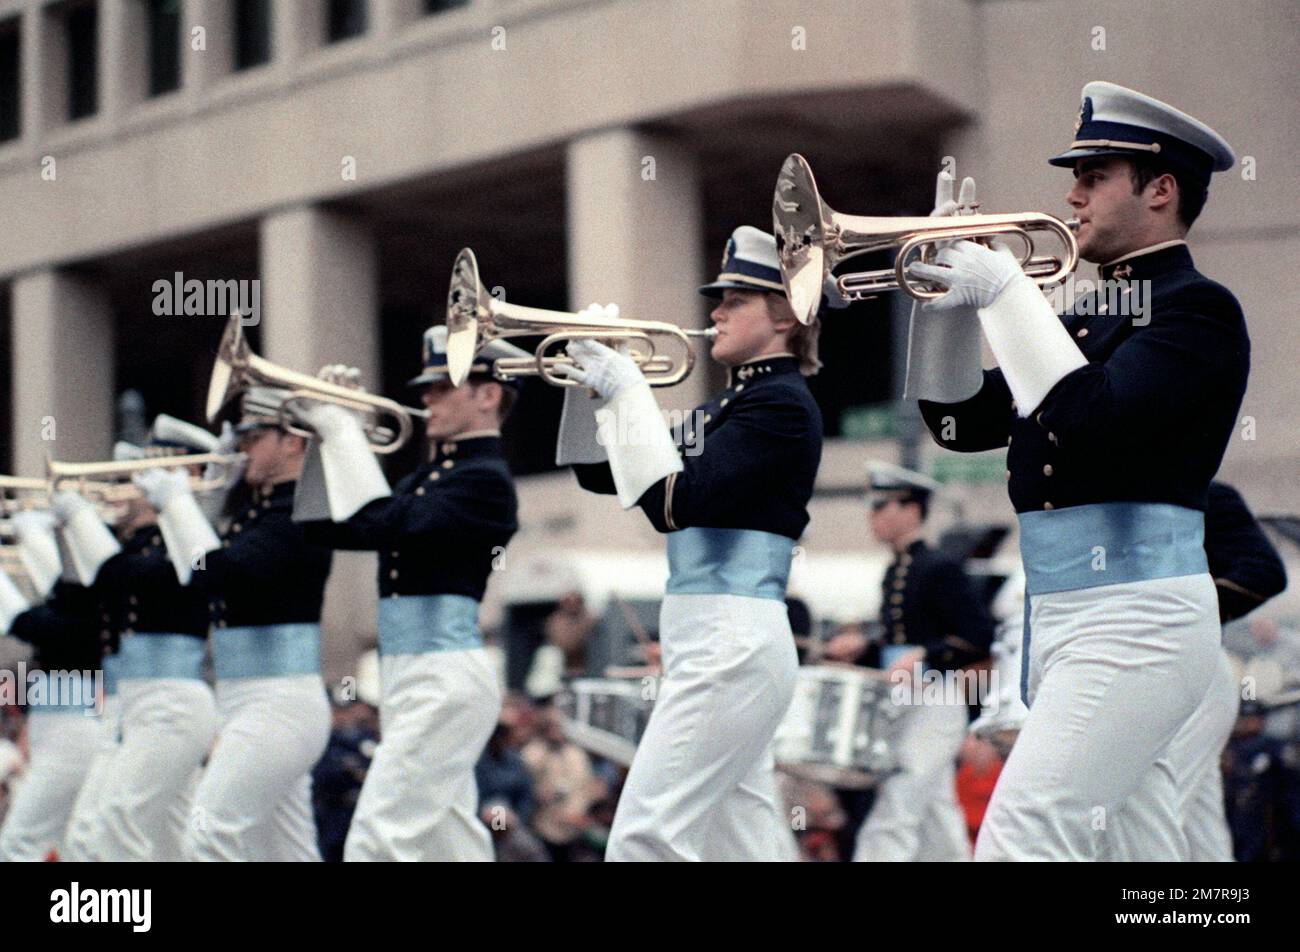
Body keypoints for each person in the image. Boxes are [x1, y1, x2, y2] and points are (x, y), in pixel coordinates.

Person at [905, 82, 1248, 860]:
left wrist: (1002, 290)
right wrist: (941, 305)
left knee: (1022, 839)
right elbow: (957, 424)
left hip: (1138, 619)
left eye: (1094, 175)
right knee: (1146, 864)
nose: (1072, 195)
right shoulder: (1086, 319)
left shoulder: (1197, 309)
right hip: (1069, 618)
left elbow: (1090, 422)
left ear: (1160, 190)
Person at [557, 224, 823, 860]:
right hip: (717, 642)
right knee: (745, 845)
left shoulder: (781, 405)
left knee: (644, 837)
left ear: (785, 312)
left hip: (729, 641)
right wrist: (581, 380)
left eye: (735, 300)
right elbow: (597, 472)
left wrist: (627, 388)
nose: (715, 312)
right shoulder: (726, 409)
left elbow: (673, 503)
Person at [292, 328, 523, 861]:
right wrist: (323, 442)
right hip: (410, 673)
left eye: (443, 386)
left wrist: (346, 435)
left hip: (443, 674)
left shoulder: (484, 478)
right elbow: (324, 527)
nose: (426, 399)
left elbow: (382, 524)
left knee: (378, 838)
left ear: (488, 395)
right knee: (448, 841)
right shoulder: (431, 476)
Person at [135, 386, 334, 861]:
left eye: (255, 437)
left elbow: (215, 574)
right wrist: (206, 497)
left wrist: (179, 505)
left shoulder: (297, 514)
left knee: (207, 833)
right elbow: (194, 574)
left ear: (294, 442)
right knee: (287, 852)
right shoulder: (258, 512)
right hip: (249, 698)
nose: (243, 448)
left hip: (279, 702)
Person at [55, 417, 222, 861]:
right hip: (141, 702)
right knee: (163, 839)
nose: (141, 486)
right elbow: (88, 588)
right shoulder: (149, 542)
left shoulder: (192, 544)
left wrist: (80, 519)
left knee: (116, 824)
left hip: (173, 704)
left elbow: (118, 576)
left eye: (156, 473)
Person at [825, 462, 993, 861]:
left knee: (899, 798)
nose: (873, 516)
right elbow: (898, 641)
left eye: (881, 505)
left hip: (936, 700)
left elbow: (980, 636)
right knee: (935, 810)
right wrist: (860, 649)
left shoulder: (940, 567)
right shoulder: (895, 570)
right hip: (902, 700)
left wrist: (927, 655)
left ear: (912, 509)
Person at [0, 514, 105, 861]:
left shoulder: (98, 595)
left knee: (19, 842)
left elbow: (27, 623)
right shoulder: (78, 593)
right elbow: (56, 589)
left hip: (73, 728)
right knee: (71, 841)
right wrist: (34, 538)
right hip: (59, 726)